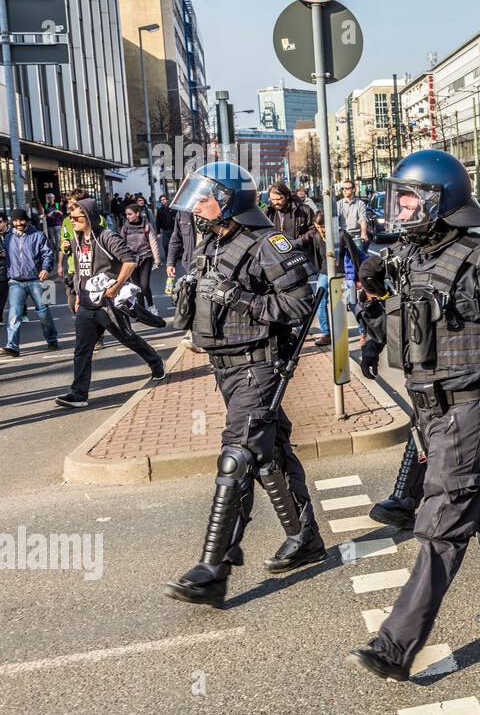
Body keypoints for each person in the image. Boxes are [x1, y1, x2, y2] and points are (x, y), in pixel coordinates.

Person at [348, 149, 480, 681]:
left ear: (442, 201)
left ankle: (396, 645)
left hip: (466, 405)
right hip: (428, 406)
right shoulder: (411, 258)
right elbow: (406, 328)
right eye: (401, 197)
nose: (402, 206)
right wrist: (372, 333)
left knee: (443, 519)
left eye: (412, 196)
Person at [164, 162, 323, 606]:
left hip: (259, 365)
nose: (197, 206)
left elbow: (299, 303)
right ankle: (303, 535)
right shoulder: (211, 243)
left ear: (230, 201)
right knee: (269, 452)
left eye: (206, 197)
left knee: (238, 456)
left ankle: (213, 567)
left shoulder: (267, 243)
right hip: (224, 366)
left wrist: (240, 298)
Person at [54, 199, 165, 408]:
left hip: (108, 303)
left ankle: (155, 360)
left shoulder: (106, 236)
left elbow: (130, 261)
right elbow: (79, 270)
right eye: (71, 218)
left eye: (77, 218)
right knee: (82, 349)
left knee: (127, 337)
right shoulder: (77, 239)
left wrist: (115, 287)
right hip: (87, 303)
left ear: (88, 217)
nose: (73, 221)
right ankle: (79, 394)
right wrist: (78, 294)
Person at [3, 209, 58, 357]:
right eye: (15, 221)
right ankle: (12, 346)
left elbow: (48, 254)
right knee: (14, 314)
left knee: (43, 311)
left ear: (26, 220)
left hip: (36, 280)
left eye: (21, 220)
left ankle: (52, 339)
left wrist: (46, 269)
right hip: (15, 281)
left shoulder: (38, 235)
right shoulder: (8, 238)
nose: (18, 223)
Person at [304, 211, 363, 347]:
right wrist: (319, 271)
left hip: (344, 273)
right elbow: (318, 256)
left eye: (323, 226)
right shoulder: (317, 236)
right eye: (317, 227)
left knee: (351, 302)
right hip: (325, 272)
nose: (321, 229)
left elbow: (355, 256)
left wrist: (358, 278)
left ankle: (363, 330)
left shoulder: (342, 235)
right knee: (320, 301)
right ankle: (326, 333)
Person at [120, 203, 162, 314]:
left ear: (137, 214)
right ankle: (142, 309)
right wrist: (122, 260)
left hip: (145, 257)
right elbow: (121, 244)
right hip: (131, 260)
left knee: (144, 285)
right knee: (136, 286)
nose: (128, 216)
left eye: (130, 214)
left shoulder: (146, 226)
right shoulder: (125, 227)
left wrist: (157, 259)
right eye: (126, 214)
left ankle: (151, 306)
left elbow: (153, 243)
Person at [266, 182, 313, 247]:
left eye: (279, 199)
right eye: (272, 199)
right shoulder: (268, 211)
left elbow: (314, 229)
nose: (275, 202)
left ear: (287, 196)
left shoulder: (304, 210)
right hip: (276, 254)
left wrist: (299, 241)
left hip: (299, 251)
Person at [155, 194, 175, 261]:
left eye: (163, 199)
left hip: (173, 230)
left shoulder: (172, 208)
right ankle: (168, 257)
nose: (162, 201)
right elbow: (157, 221)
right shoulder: (160, 210)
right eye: (161, 200)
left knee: (173, 244)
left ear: (167, 200)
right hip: (165, 231)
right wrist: (158, 232)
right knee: (165, 245)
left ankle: (174, 256)